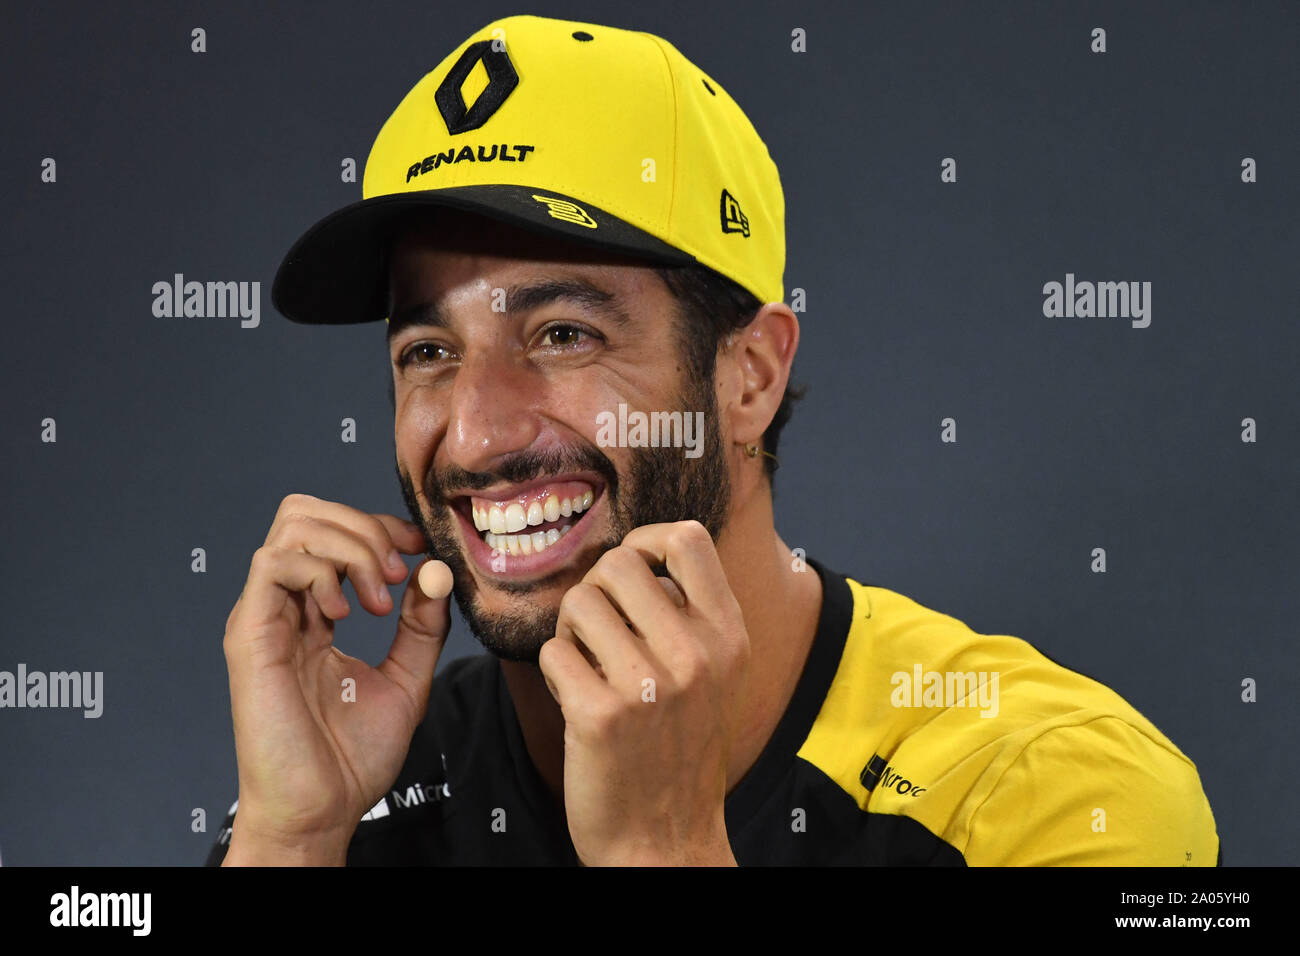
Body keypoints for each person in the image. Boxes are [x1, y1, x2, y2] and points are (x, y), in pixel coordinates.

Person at [207, 14, 1219, 866]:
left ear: (751, 374)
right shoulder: (365, 773)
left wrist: (665, 850)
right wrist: (290, 838)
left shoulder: (1058, 791)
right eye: (429, 348)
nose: (474, 429)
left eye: (564, 334)